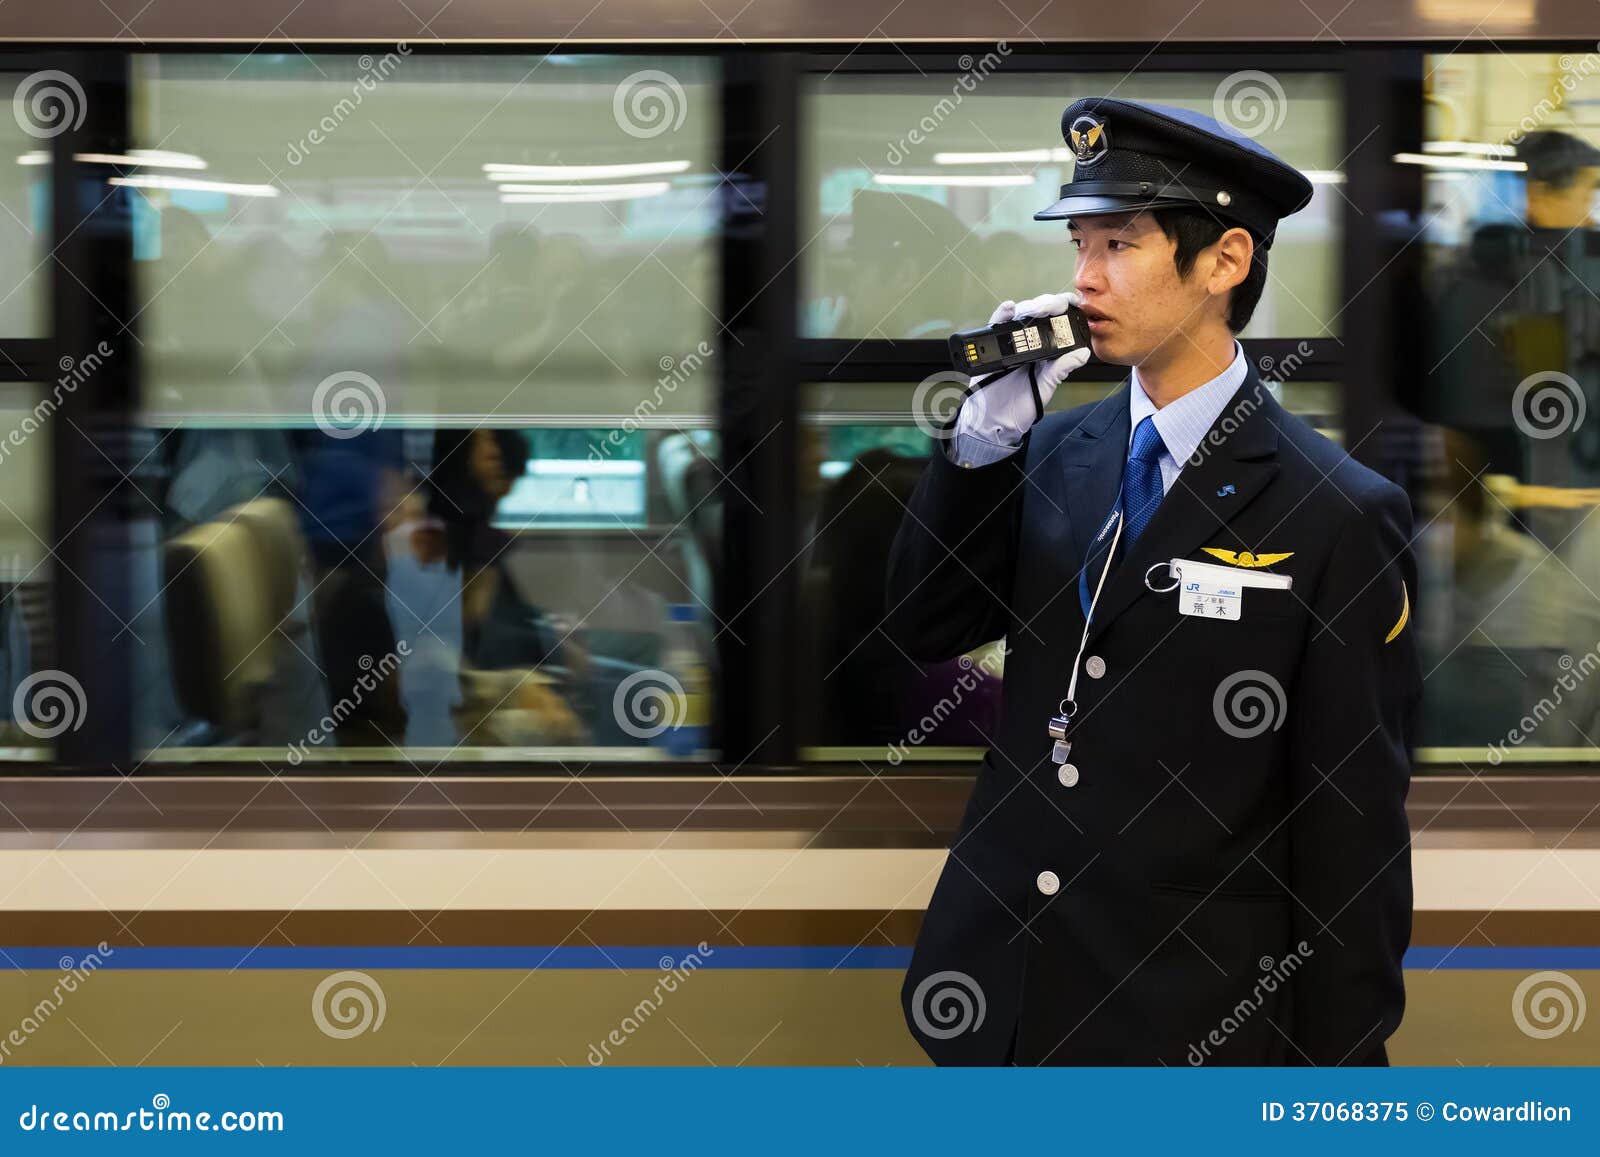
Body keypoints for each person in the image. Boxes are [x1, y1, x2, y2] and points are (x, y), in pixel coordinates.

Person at [885, 97, 1421, 1066]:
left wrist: (1341, 1071)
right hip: (1002, 990)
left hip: (1193, 1011)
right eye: (1079, 246)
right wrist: (980, 445)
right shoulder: (1049, 451)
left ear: (1224, 261)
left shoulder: (1335, 510)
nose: (1084, 280)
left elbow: (1352, 826)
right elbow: (928, 623)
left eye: (1119, 245)